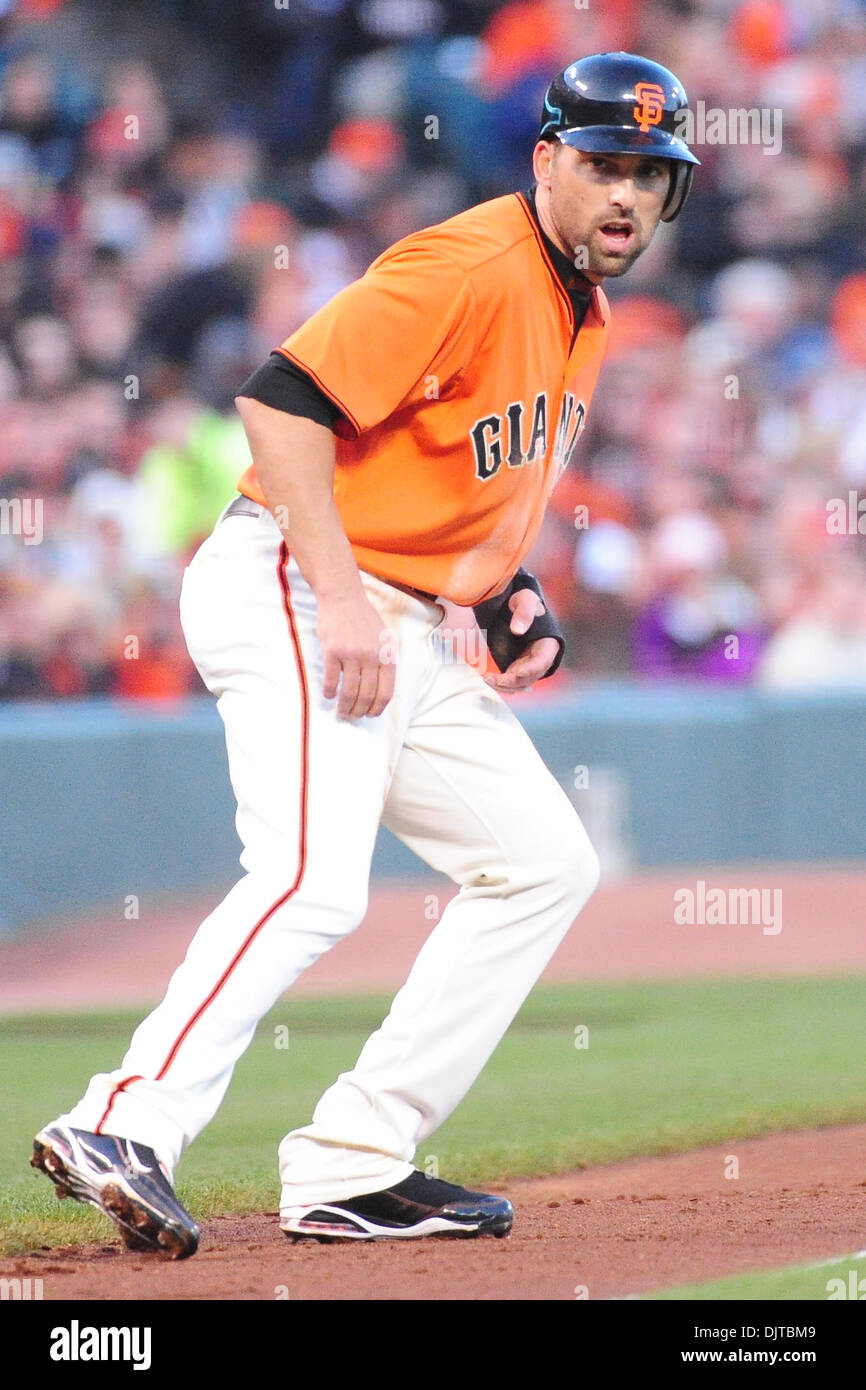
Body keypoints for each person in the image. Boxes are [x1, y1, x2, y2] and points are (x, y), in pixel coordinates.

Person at [31, 53, 699, 1256]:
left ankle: (353, 1159)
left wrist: (505, 597)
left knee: (542, 861)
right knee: (309, 878)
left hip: (393, 606)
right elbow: (280, 397)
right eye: (603, 163)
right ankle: (121, 1121)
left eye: (649, 175)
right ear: (545, 160)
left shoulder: (579, 309)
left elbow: (451, 477)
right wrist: (337, 598)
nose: (625, 195)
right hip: (296, 582)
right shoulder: (467, 263)